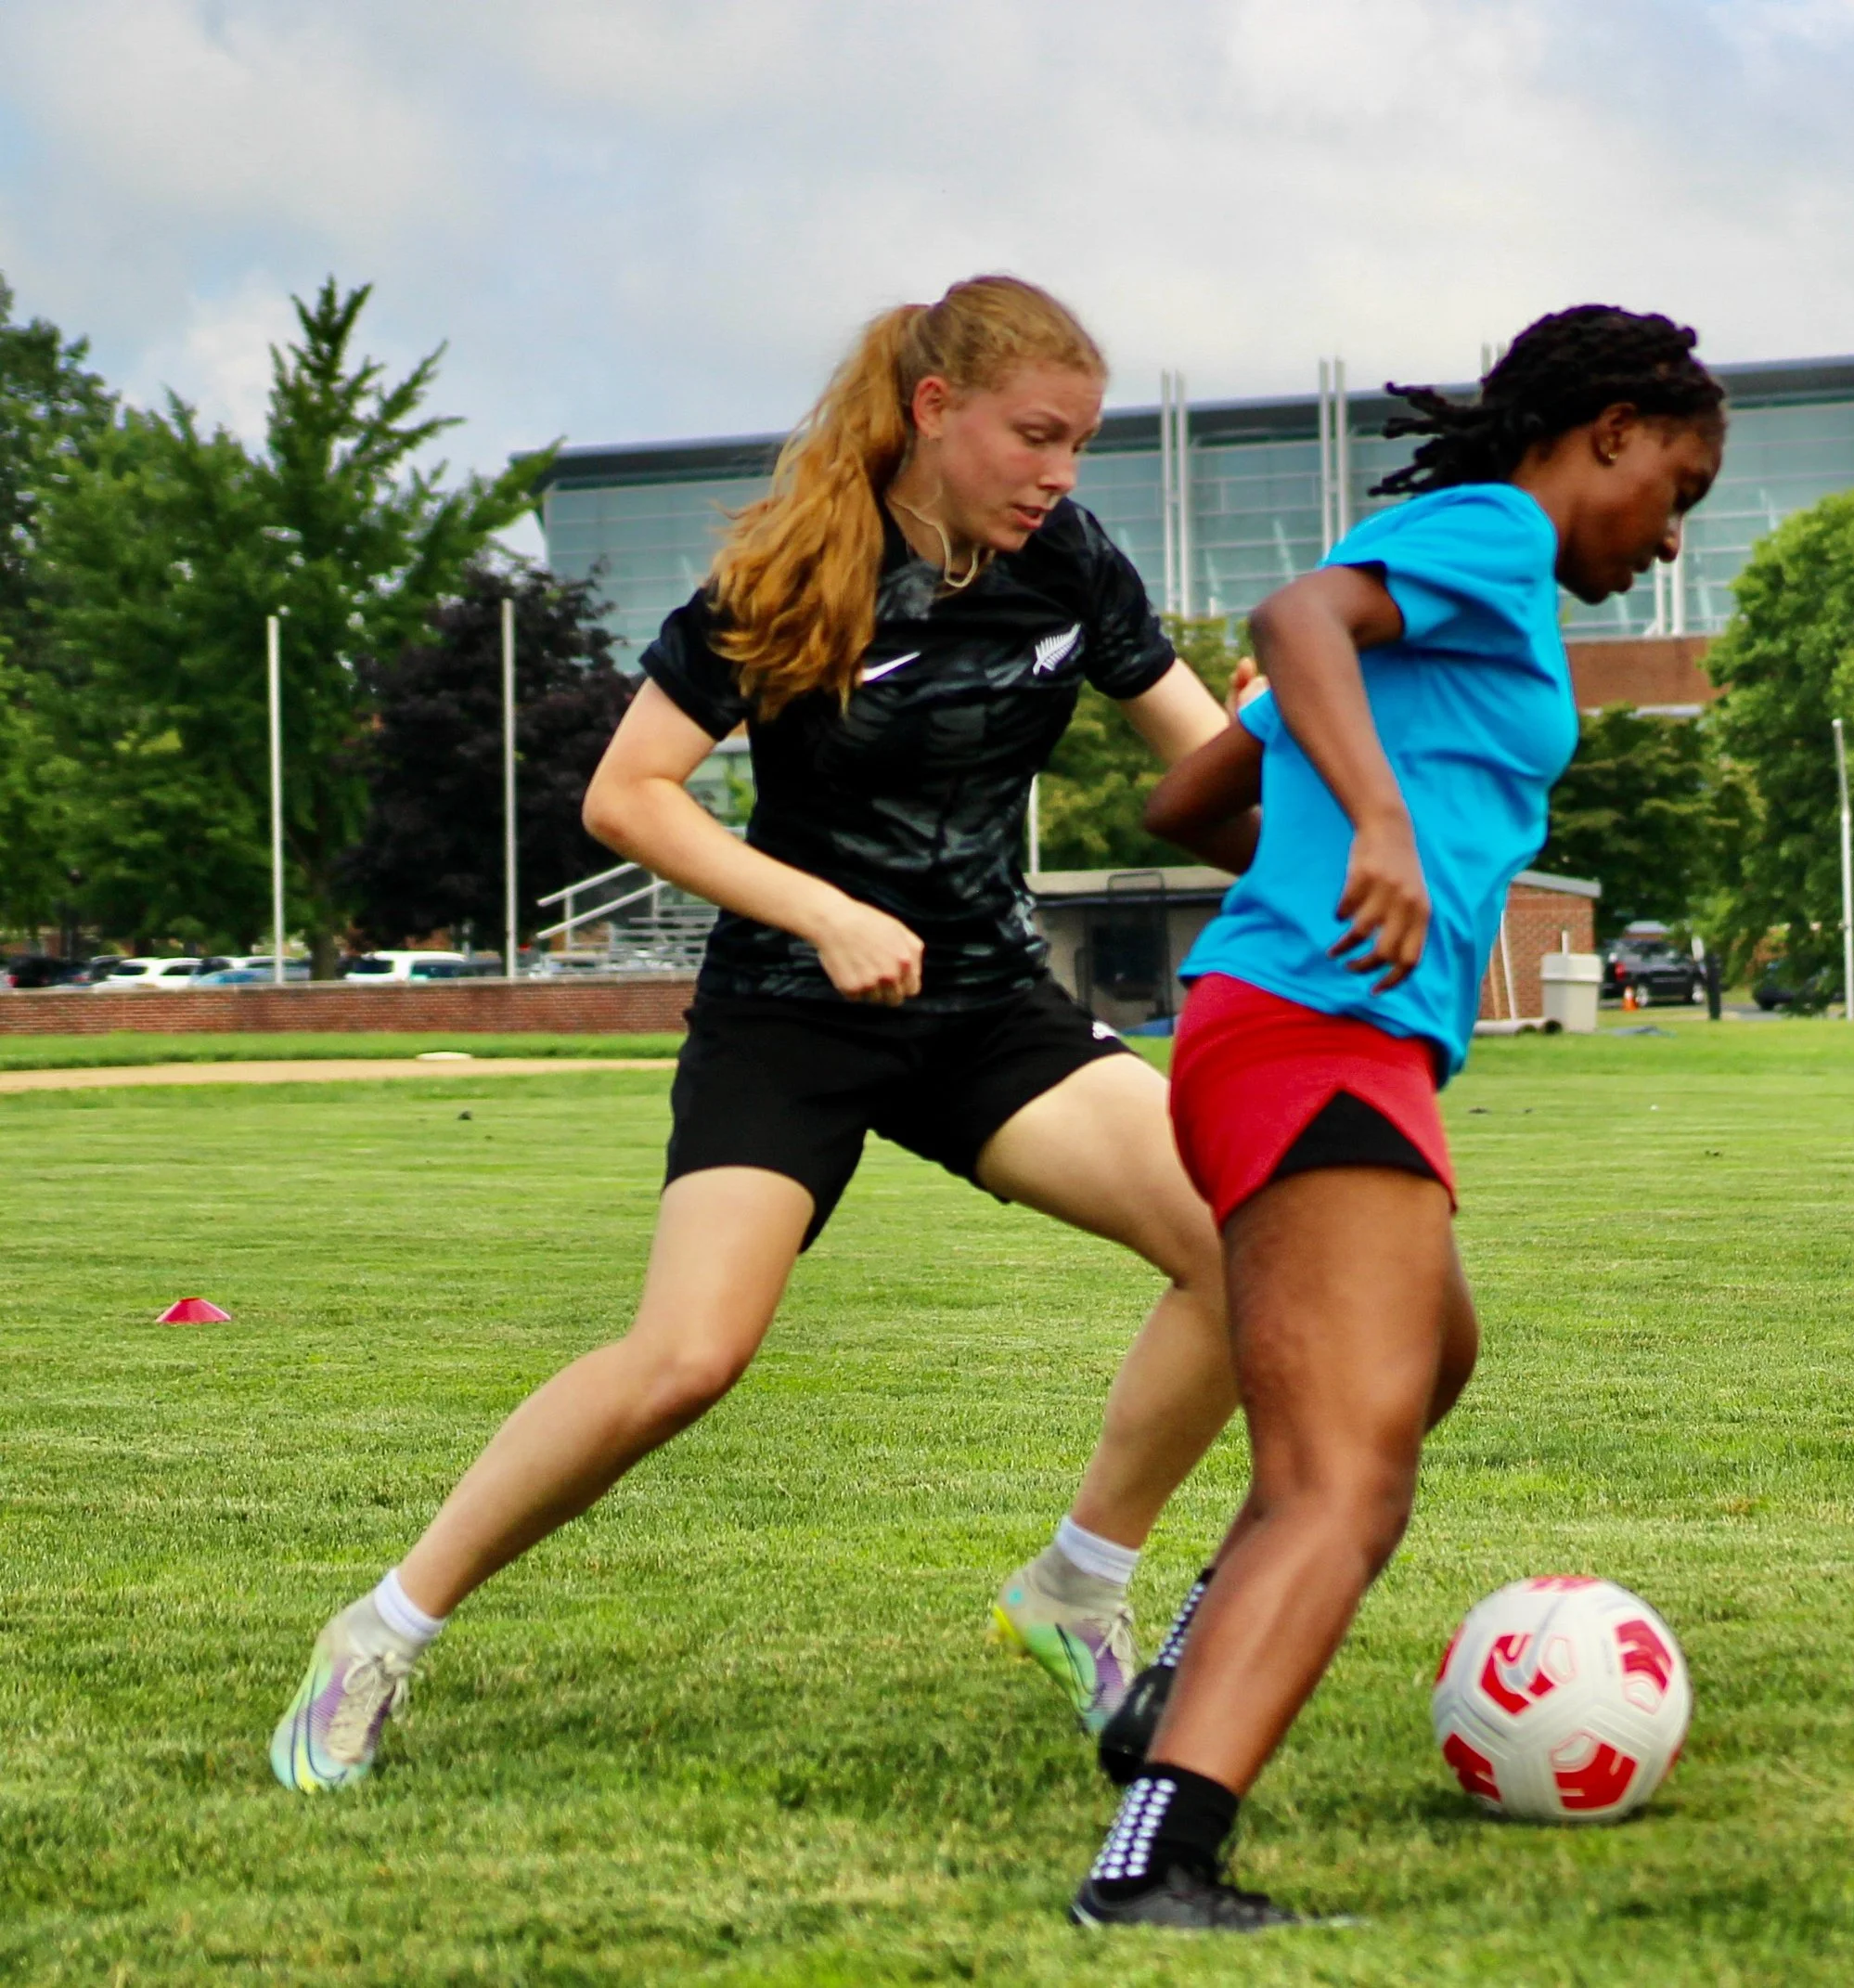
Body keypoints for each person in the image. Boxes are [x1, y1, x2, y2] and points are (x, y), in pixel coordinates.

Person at [269, 276, 1257, 1792]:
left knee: (1240, 1243)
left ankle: (1072, 1588)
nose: (1061, 473)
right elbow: (629, 793)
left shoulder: (1072, 563)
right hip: (792, 1017)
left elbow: (1205, 774)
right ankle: (382, 1630)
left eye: (1080, 443)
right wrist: (820, 912)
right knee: (686, 1357)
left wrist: (1281, 740)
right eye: (1036, 437)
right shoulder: (800, 567)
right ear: (938, 412)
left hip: (989, 1007)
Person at [1070, 306, 1727, 1929]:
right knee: (1345, 1482)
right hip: (1319, 1035)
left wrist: (1334, 836)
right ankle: (1157, 1856)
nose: (1672, 535)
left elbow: (1185, 797)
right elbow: (1299, 612)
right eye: (1681, 486)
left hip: (1306, 1027)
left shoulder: (1452, 619)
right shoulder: (1495, 529)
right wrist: (1371, 827)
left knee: (1431, 1357)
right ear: (1612, 430)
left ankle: (1180, 1679)